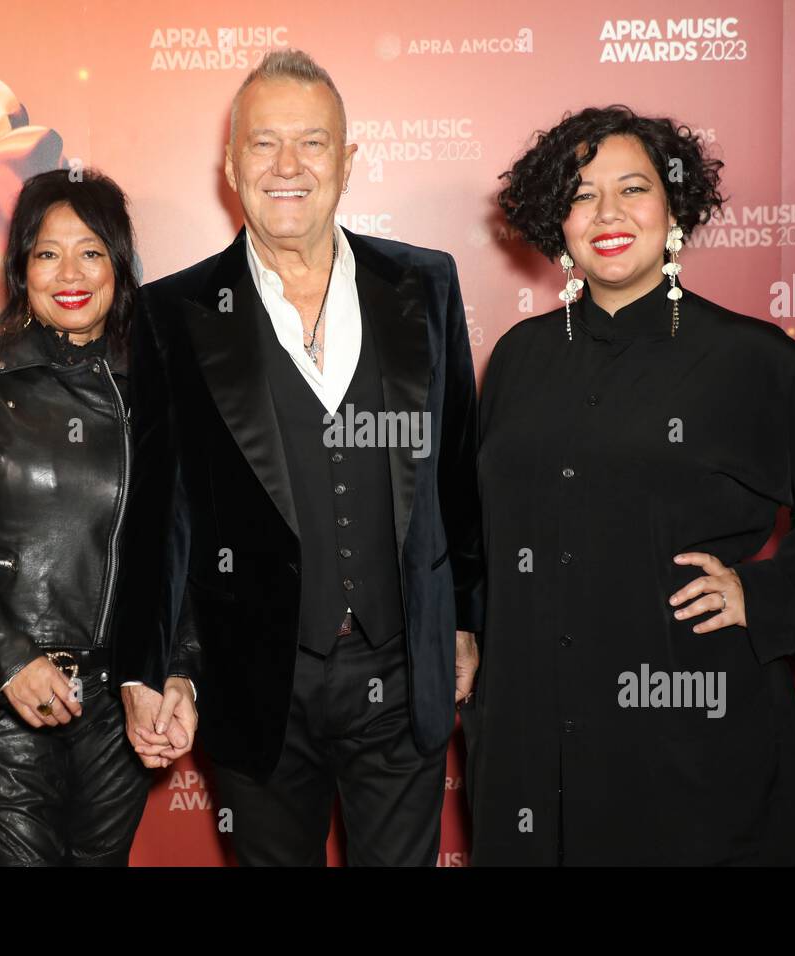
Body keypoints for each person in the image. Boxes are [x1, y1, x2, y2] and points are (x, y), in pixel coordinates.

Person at [465, 105, 795, 865]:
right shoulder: (520, 359)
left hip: (690, 736)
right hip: (535, 744)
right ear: (556, 222)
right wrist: (464, 631)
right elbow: (476, 525)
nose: (608, 213)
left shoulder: (746, 359)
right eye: (582, 193)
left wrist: (767, 595)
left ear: (674, 210)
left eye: (634, 189)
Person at [116, 49, 483, 866]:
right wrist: (151, 667)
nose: (288, 167)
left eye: (313, 143)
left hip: (399, 674)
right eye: (264, 144)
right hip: (256, 684)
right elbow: (158, 514)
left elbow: (456, 467)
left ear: (348, 162)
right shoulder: (174, 312)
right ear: (230, 164)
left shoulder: (425, 284)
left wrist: (463, 619)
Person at [0, 168, 197, 866]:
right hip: (6, 702)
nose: (71, 272)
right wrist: (9, 662)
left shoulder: (162, 390)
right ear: (22, 267)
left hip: (122, 702)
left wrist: (176, 671)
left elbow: (185, 550)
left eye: (91, 250)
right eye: (48, 252)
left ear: (119, 265)